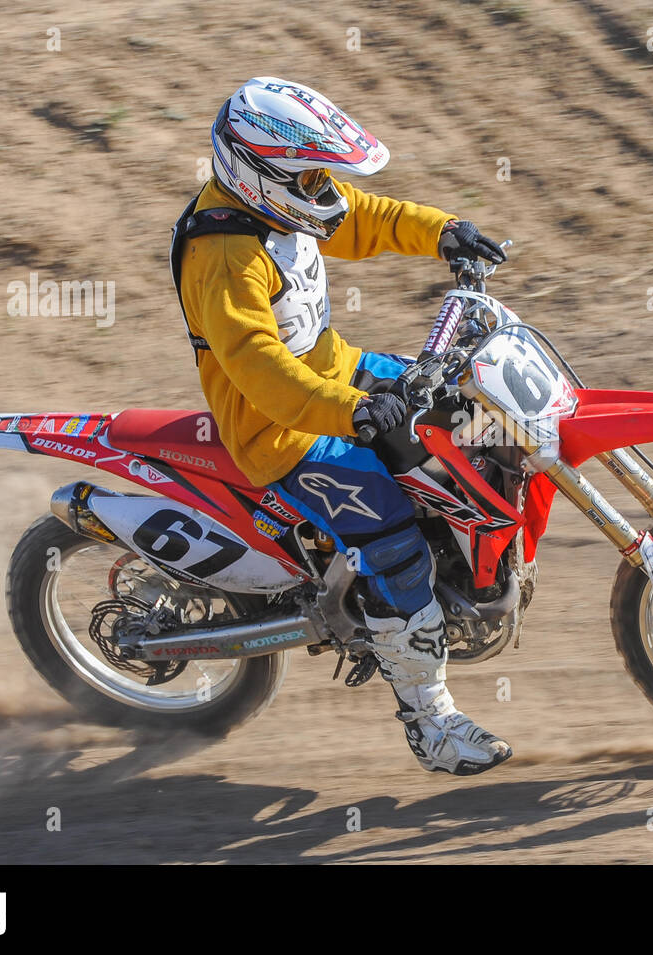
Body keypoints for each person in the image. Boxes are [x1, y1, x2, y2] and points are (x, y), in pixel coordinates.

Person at [169, 77, 511, 775]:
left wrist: (443, 231)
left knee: (474, 409)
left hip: (334, 374)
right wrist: (349, 412)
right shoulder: (224, 257)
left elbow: (362, 215)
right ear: (260, 173)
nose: (325, 188)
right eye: (312, 176)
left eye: (325, 173)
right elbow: (259, 369)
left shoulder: (284, 206)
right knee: (395, 542)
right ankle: (430, 722)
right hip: (282, 430)